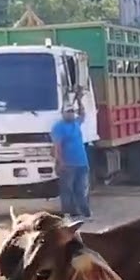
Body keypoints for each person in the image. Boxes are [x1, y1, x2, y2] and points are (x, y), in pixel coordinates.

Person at [50, 90, 91, 219]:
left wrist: (79, 100)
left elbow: (83, 114)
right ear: (62, 114)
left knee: (80, 190)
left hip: (82, 163)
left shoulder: (76, 123)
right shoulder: (59, 127)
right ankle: (68, 213)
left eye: (72, 111)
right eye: (68, 112)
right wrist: (60, 162)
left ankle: (84, 212)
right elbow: (58, 146)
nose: (71, 114)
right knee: (67, 190)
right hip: (68, 164)